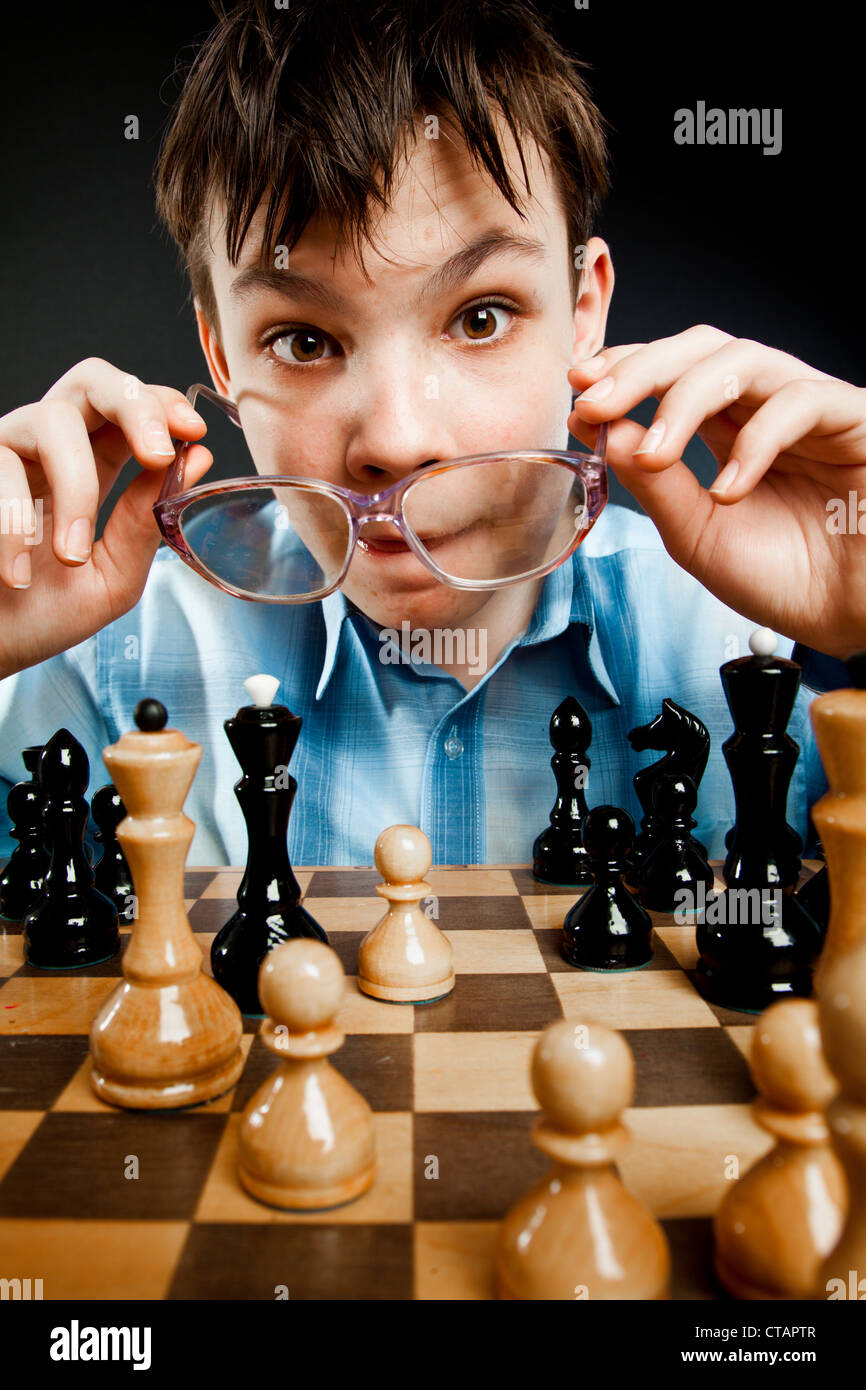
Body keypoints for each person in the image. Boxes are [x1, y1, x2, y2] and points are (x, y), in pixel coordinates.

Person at [0, 0, 862, 867]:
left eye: (481, 317)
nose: (398, 439)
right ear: (222, 358)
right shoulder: (99, 660)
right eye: (303, 341)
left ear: (583, 313)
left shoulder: (764, 648)